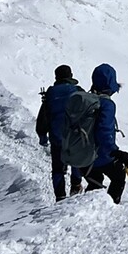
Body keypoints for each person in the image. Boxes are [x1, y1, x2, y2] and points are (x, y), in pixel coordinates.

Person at [82, 63, 128, 203]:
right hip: (98, 156)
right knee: (118, 175)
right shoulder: (106, 105)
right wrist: (116, 152)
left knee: (95, 182)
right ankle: (110, 207)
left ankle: (88, 208)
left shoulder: (86, 100)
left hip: (82, 156)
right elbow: (104, 132)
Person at [35, 64, 84, 201]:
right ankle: (76, 185)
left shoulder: (50, 94)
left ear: (56, 77)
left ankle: (60, 196)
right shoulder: (78, 91)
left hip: (56, 137)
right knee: (76, 161)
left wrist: (43, 137)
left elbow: (43, 117)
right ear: (71, 75)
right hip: (74, 135)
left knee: (57, 169)